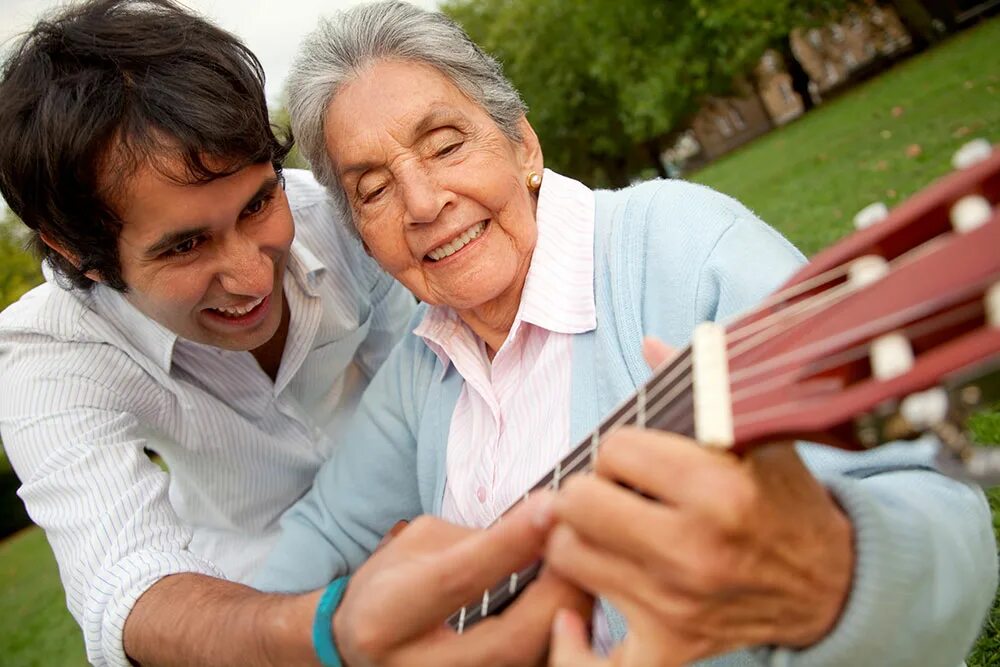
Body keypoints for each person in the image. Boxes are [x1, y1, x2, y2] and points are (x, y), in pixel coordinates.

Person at [254, 2, 997, 665]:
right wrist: (323, 632)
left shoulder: (682, 245)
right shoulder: (424, 359)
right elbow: (321, 531)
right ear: (363, 235)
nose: (421, 202)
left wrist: (831, 576)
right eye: (374, 189)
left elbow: (937, 514)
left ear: (522, 145)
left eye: (446, 145)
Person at [0, 2, 586, 665]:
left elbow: (444, 388)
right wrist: (330, 625)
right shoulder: (44, 354)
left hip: (429, 524)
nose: (254, 277)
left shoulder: (348, 218)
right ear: (77, 252)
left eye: (257, 203)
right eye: (185, 246)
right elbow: (124, 585)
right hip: (244, 610)